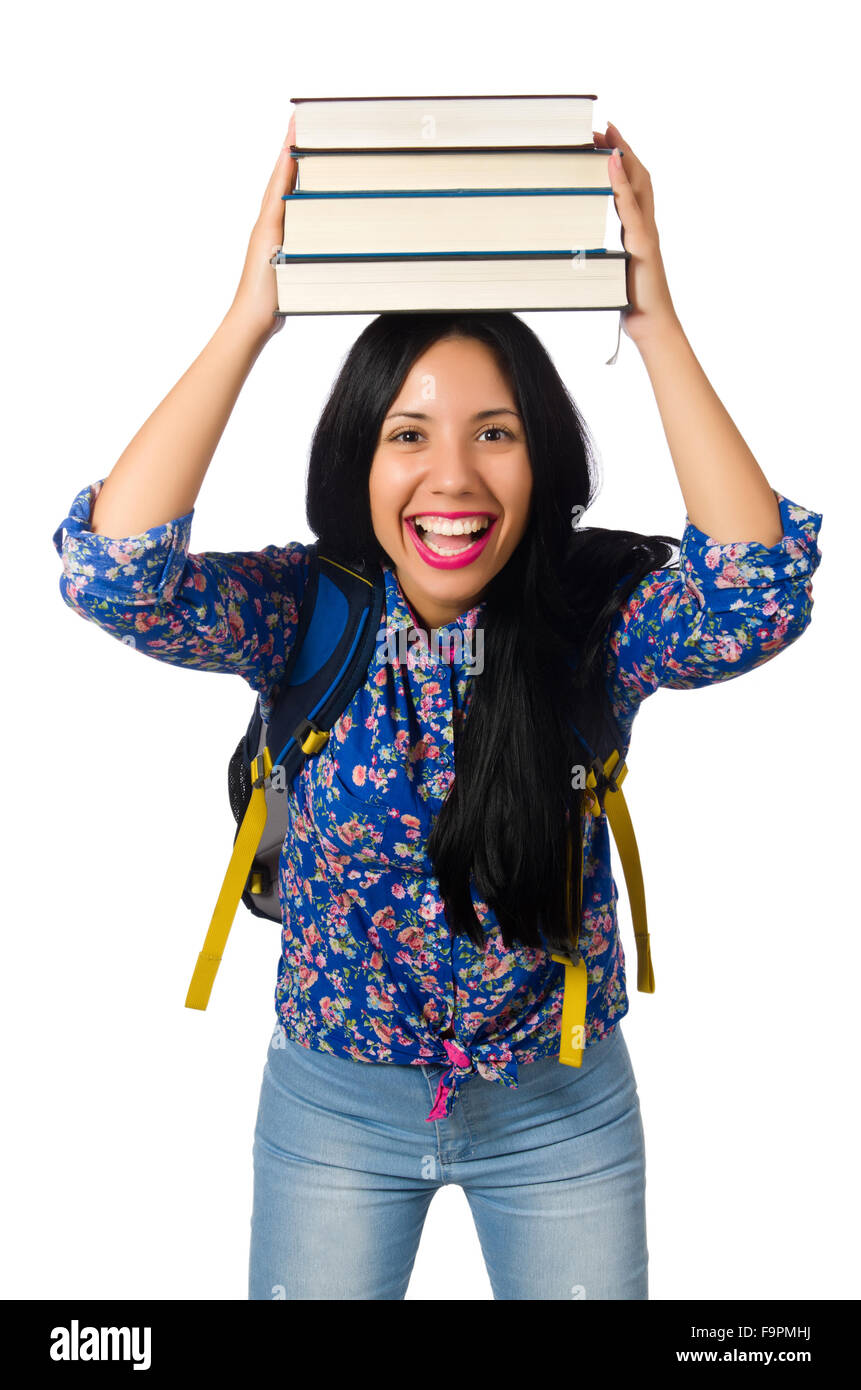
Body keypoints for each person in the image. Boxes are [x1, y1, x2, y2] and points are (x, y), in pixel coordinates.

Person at [52, 119, 823, 1300]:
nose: (453, 479)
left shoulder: (591, 626)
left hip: (560, 1112)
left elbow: (758, 595)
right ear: (359, 463)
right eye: (408, 435)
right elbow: (116, 575)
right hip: (334, 1110)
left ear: (542, 457)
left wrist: (652, 318)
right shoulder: (302, 611)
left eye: (495, 434)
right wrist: (251, 316)